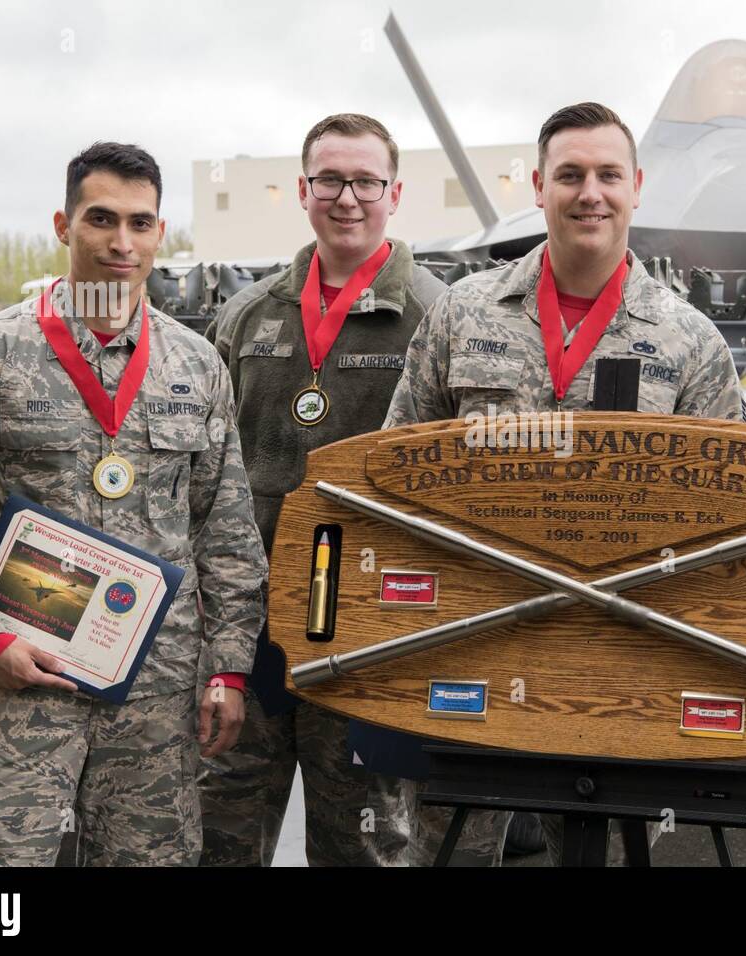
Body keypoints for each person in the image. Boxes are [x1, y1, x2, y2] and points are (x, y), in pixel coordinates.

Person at [384, 102, 746, 863]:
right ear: (538, 185)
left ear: (637, 186)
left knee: (596, 848)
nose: (591, 193)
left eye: (608, 174)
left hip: (615, 655)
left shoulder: (690, 342)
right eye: (571, 175)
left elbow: (730, 519)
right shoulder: (464, 313)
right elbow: (395, 468)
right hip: (470, 641)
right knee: (443, 849)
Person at [0, 142, 265, 866]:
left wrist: (227, 669)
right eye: (101, 219)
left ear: (160, 232)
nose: (121, 243)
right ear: (63, 225)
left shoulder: (196, 364)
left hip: (158, 696)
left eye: (140, 223)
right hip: (25, 684)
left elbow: (228, 536)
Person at [197, 113, 490, 866]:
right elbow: (204, 470)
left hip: (370, 637)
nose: (347, 197)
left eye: (365, 181)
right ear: (303, 190)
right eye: (330, 179)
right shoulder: (247, 315)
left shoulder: (439, 316)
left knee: (368, 847)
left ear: (395, 192)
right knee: (217, 838)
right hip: (249, 631)